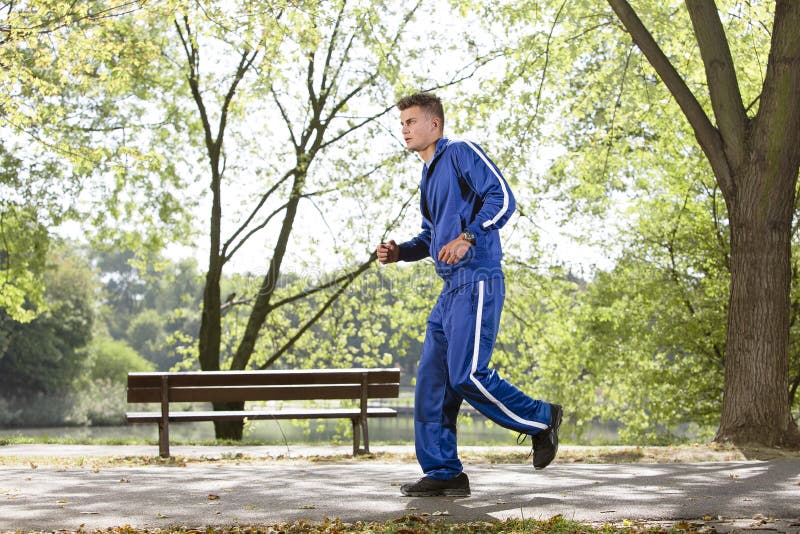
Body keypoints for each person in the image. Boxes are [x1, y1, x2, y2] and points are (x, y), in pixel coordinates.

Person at [377, 92, 563, 497]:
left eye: (411, 121)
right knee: (431, 383)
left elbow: (502, 198)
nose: (404, 129)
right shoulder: (428, 178)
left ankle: (542, 419)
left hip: (477, 276)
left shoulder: (460, 153)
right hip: (450, 288)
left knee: (467, 375)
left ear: (434, 125)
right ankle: (444, 471)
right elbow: (431, 237)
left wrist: (467, 236)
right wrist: (401, 253)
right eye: (402, 123)